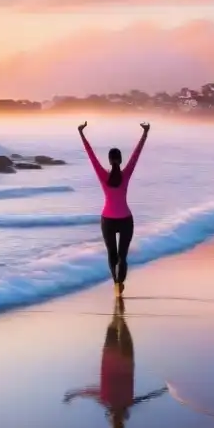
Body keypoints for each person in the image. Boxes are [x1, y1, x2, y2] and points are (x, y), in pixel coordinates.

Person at [63, 297, 168, 428]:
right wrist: (73, 394)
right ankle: (118, 308)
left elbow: (145, 398)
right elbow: (146, 397)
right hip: (113, 359)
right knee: (114, 328)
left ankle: (118, 309)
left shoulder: (120, 402)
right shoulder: (109, 401)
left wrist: (74, 394)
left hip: (122, 362)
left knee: (119, 328)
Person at [78, 119, 149, 297]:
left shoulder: (103, 175)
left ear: (109, 161)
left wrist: (81, 133)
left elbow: (91, 156)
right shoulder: (126, 174)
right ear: (121, 160)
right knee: (122, 256)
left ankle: (116, 283)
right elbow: (136, 155)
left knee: (112, 254)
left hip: (108, 220)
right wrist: (145, 133)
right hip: (125, 220)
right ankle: (120, 283)